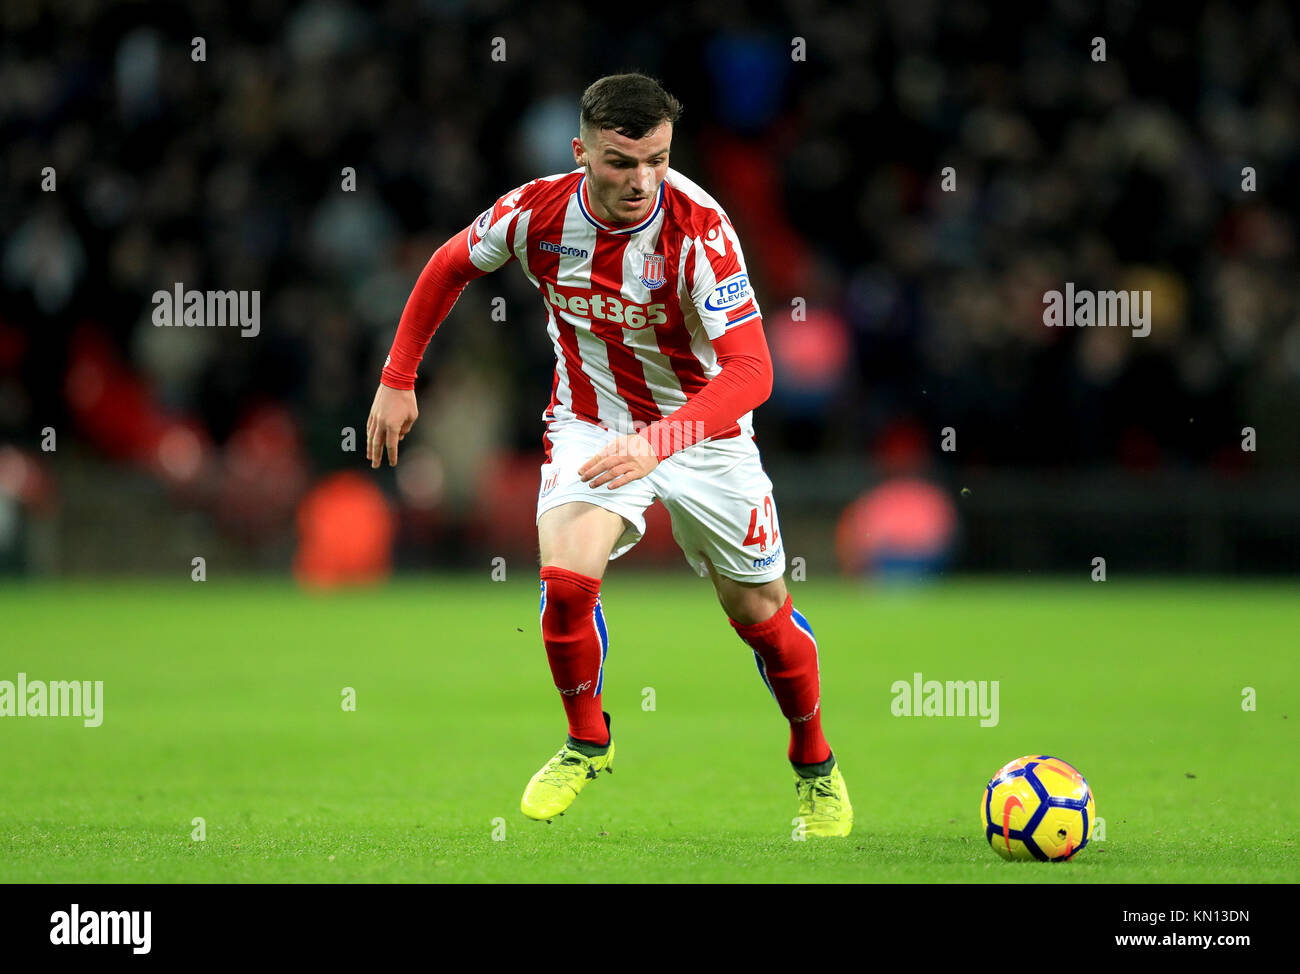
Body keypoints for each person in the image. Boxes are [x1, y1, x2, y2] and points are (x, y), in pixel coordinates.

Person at [366, 72, 851, 837]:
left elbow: (753, 371)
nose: (642, 180)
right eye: (622, 161)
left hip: (704, 430)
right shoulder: (536, 212)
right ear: (581, 152)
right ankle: (587, 740)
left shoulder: (701, 229)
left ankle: (814, 764)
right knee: (565, 582)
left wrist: (659, 442)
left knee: (758, 612)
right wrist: (398, 378)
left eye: (656, 159)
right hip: (592, 419)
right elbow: (448, 265)